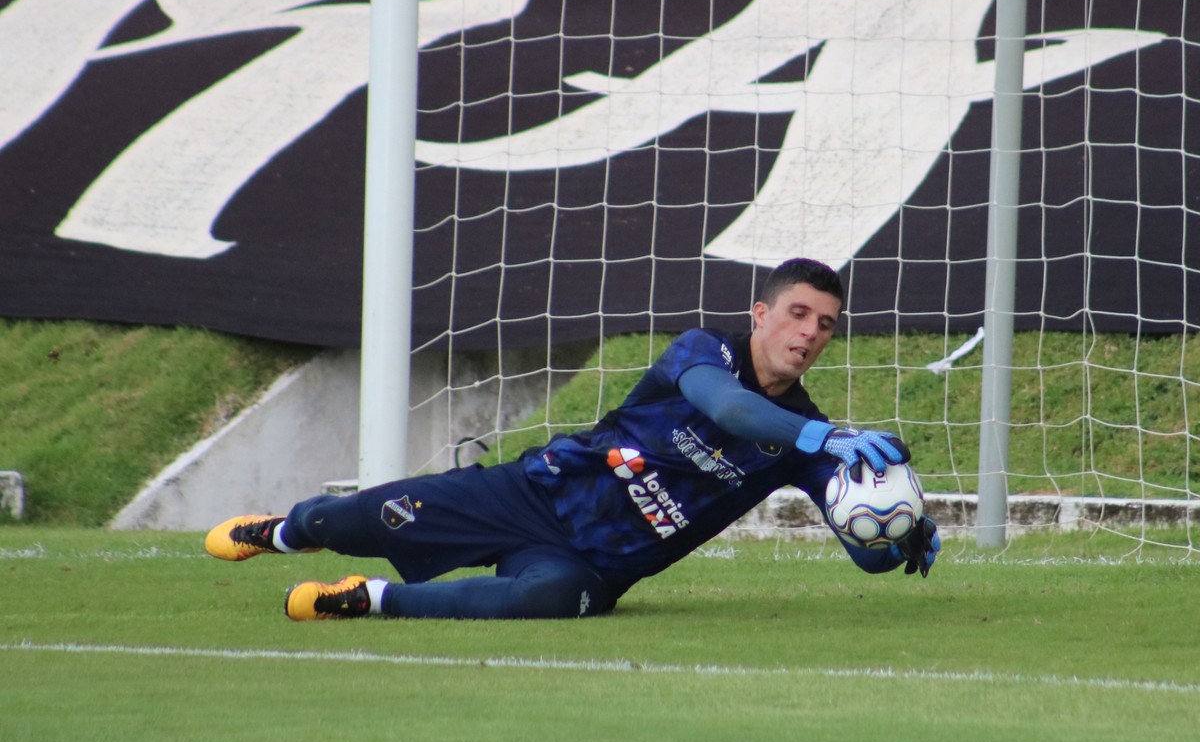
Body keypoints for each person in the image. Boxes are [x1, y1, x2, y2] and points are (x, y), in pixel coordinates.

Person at [205, 258, 940, 621]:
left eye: (825, 324)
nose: (809, 333)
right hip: (530, 493)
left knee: (545, 601)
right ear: (760, 314)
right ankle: (286, 532)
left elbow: (864, 557)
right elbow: (730, 410)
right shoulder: (701, 354)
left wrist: (899, 530)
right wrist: (829, 433)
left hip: (597, 563)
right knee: (343, 519)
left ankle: (368, 600)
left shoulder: (810, 448)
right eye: (799, 314)